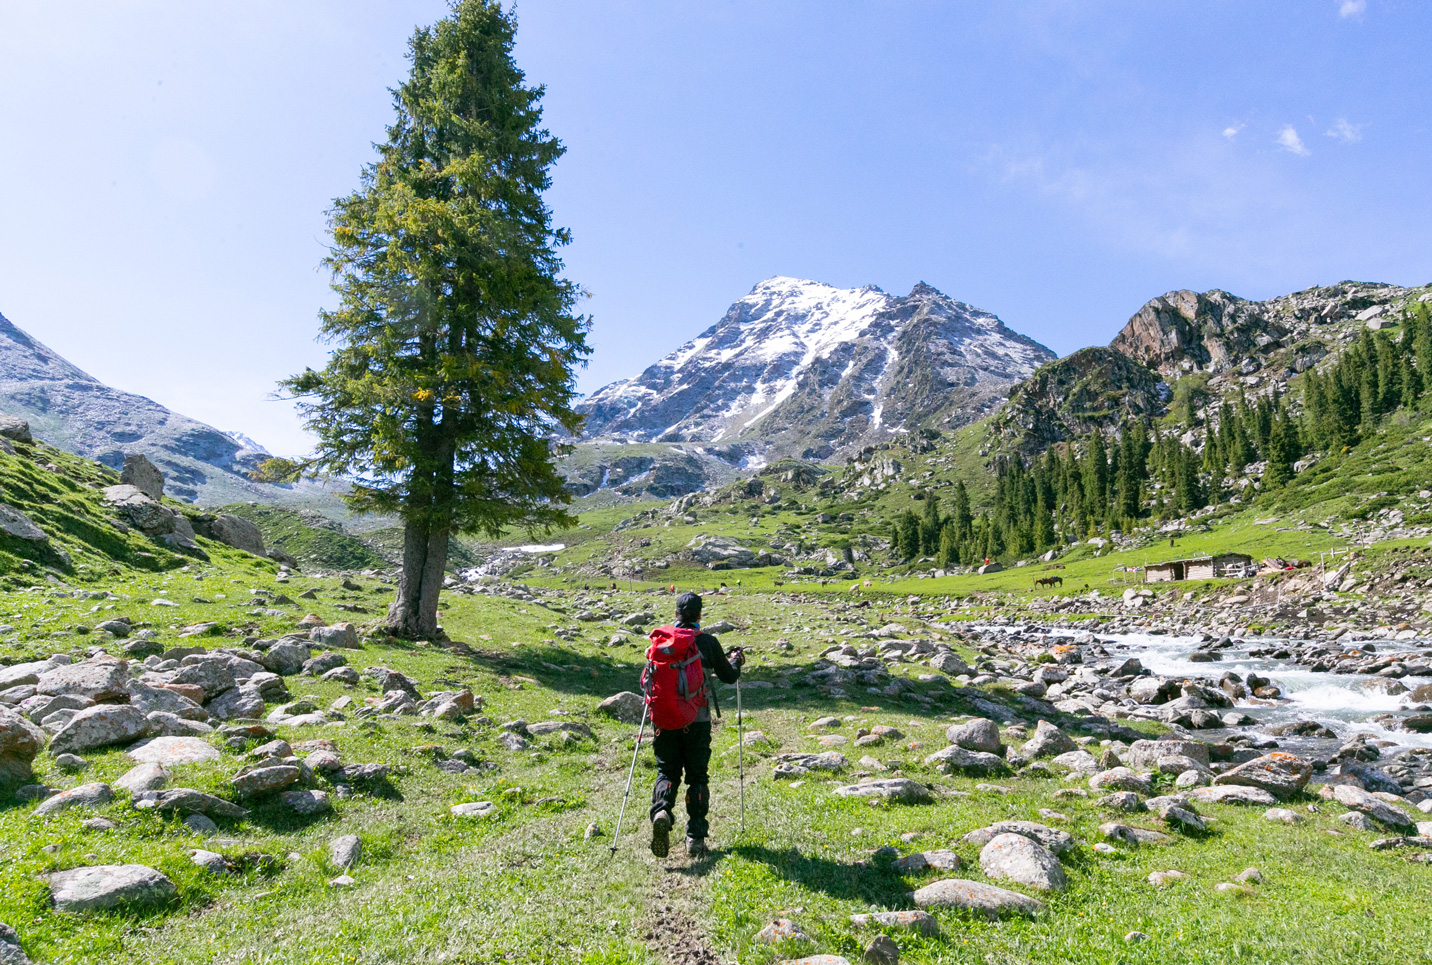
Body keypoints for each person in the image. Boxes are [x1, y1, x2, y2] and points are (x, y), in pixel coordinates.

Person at [649, 591, 743, 858]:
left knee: (667, 772)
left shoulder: (662, 641)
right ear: (700, 615)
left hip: (665, 720)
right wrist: (736, 659)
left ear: (676, 614)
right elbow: (728, 675)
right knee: (697, 777)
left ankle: (662, 812)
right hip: (697, 721)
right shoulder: (707, 642)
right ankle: (695, 838)